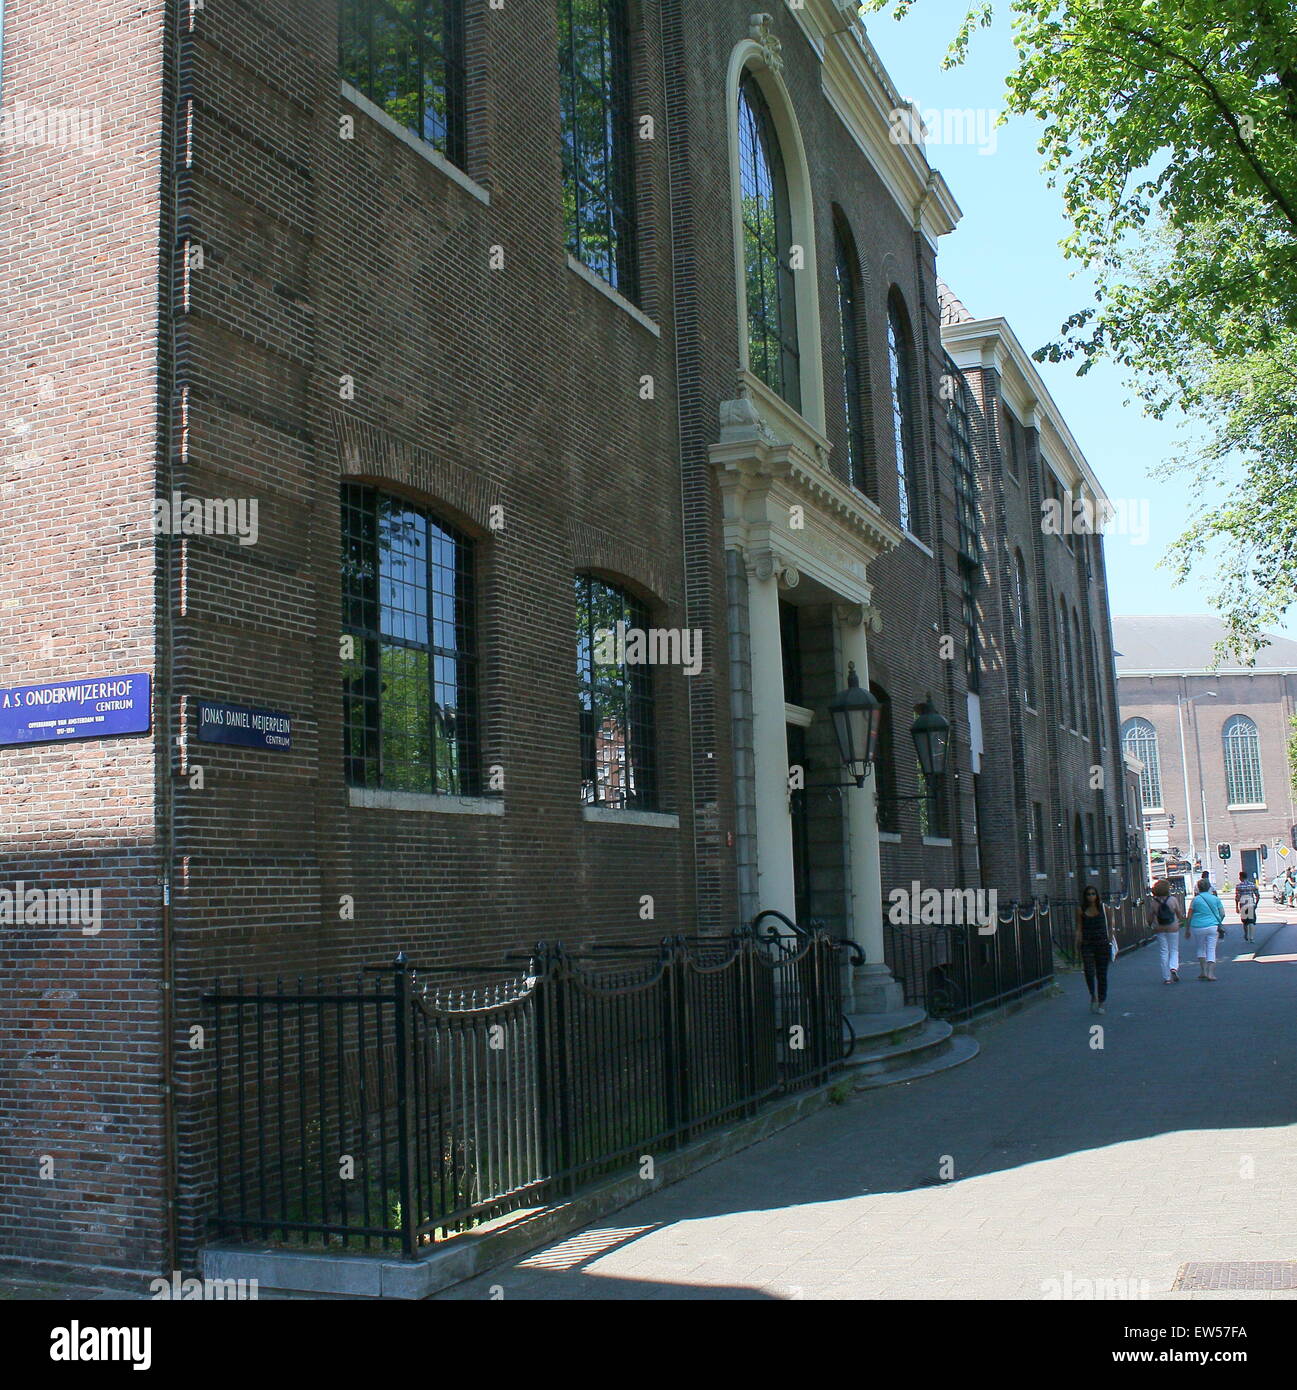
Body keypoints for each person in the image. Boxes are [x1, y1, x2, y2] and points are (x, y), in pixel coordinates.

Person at [1075, 884, 1118, 1013]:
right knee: (1088, 971)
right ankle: (1092, 995)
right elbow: (1079, 928)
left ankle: (1101, 1001)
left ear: (1097, 895)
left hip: (1102, 943)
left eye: (1093, 894)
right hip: (1087, 943)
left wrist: (1110, 940)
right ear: (1085, 896)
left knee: (1101, 973)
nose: (1091, 896)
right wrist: (1077, 942)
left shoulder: (1104, 908)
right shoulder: (1080, 910)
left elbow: (1110, 925)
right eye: (1088, 894)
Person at [1144, 878, 1185, 983]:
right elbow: (1179, 914)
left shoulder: (1154, 902)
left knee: (1163, 951)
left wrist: (1149, 925)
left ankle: (1166, 978)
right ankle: (1173, 968)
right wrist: (1182, 921)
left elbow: (1150, 917)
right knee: (1174, 950)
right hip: (1173, 927)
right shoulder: (1173, 900)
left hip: (1160, 928)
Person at [1185, 877, 1226, 981]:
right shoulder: (1215, 899)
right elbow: (1222, 913)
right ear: (1209, 887)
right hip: (1212, 926)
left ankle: (1203, 971)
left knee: (1200, 948)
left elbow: (1189, 915)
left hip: (1197, 927)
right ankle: (1210, 973)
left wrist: (1187, 929)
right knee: (1211, 949)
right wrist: (1219, 921)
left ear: (1198, 888)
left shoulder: (1195, 900)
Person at [1235, 871, 1260, 944]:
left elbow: (1237, 897)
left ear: (1241, 877)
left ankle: (1246, 934)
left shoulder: (1238, 886)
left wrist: (1236, 907)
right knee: (1251, 921)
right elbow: (1258, 895)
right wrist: (1256, 904)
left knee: (1245, 921)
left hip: (1243, 905)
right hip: (1251, 904)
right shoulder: (1252, 885)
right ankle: (1251, 937)